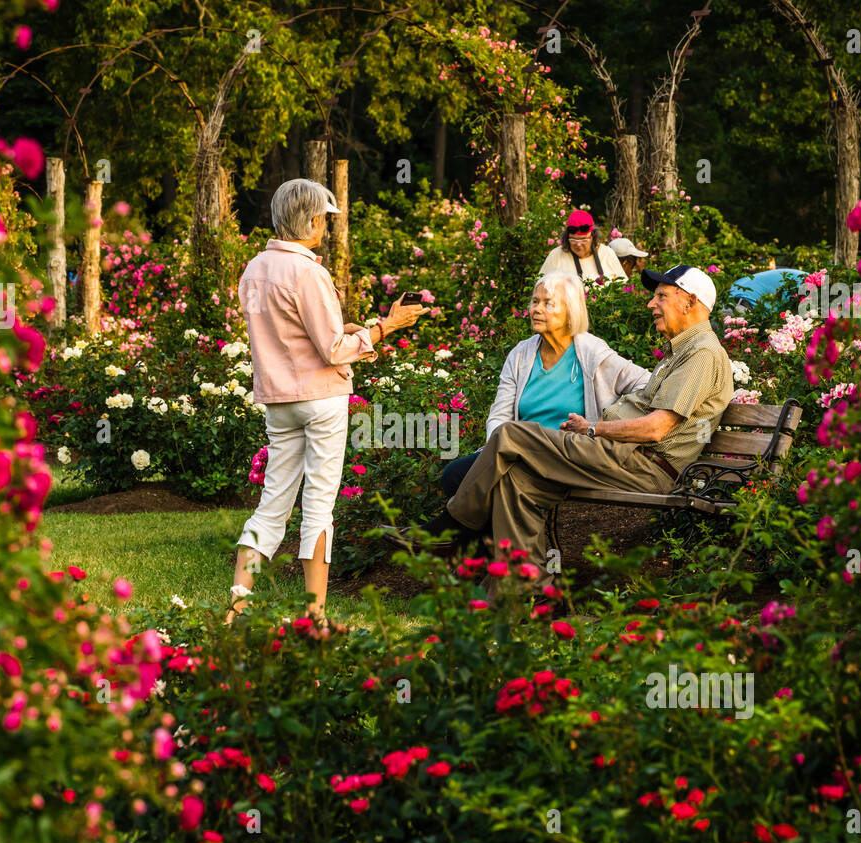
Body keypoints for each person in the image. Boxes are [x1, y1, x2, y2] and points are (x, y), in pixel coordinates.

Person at [410, 265, 732, 592]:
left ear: (689, 302)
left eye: (661, 296)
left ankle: (447, 531)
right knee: (517, 482)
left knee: (510, 436)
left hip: (643, 465)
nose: (651, 304)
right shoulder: (682, 351)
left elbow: (656, 429)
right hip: (625, 457)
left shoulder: (702, 353)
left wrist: (594, 428)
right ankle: (527, 593)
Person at [227, 178, 425, 623]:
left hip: (279, 399)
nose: (325, 228)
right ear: (312, 220)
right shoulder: (309, 272)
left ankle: (236, 607)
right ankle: (314, 616)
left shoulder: (255, 269)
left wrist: (357, 328)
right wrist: (387, 327)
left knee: (271, 504)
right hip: (321, 400)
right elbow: (332, 351)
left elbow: (287, 331)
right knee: (318, 506)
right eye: (323, 220)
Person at [438, 270, 650, 506]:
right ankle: (478, 541)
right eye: (535, 302)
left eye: (549, 304)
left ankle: (444, 539)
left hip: (563, 457)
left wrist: (607, 421)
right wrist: (492, 454)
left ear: (571, 311)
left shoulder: (592, 353)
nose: (537, 309)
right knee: (455, 474)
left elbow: (647, 384)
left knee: (471, 479)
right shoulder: (521, 353)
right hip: (517, 451)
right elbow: (500, 414)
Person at [538, 210, 626, 283]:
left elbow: (623, 287)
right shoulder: (556, 256)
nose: (578, 244)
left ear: (593, 237)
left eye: (583, 240)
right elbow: (540, 287)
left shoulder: (607, 253)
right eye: (573, 240)